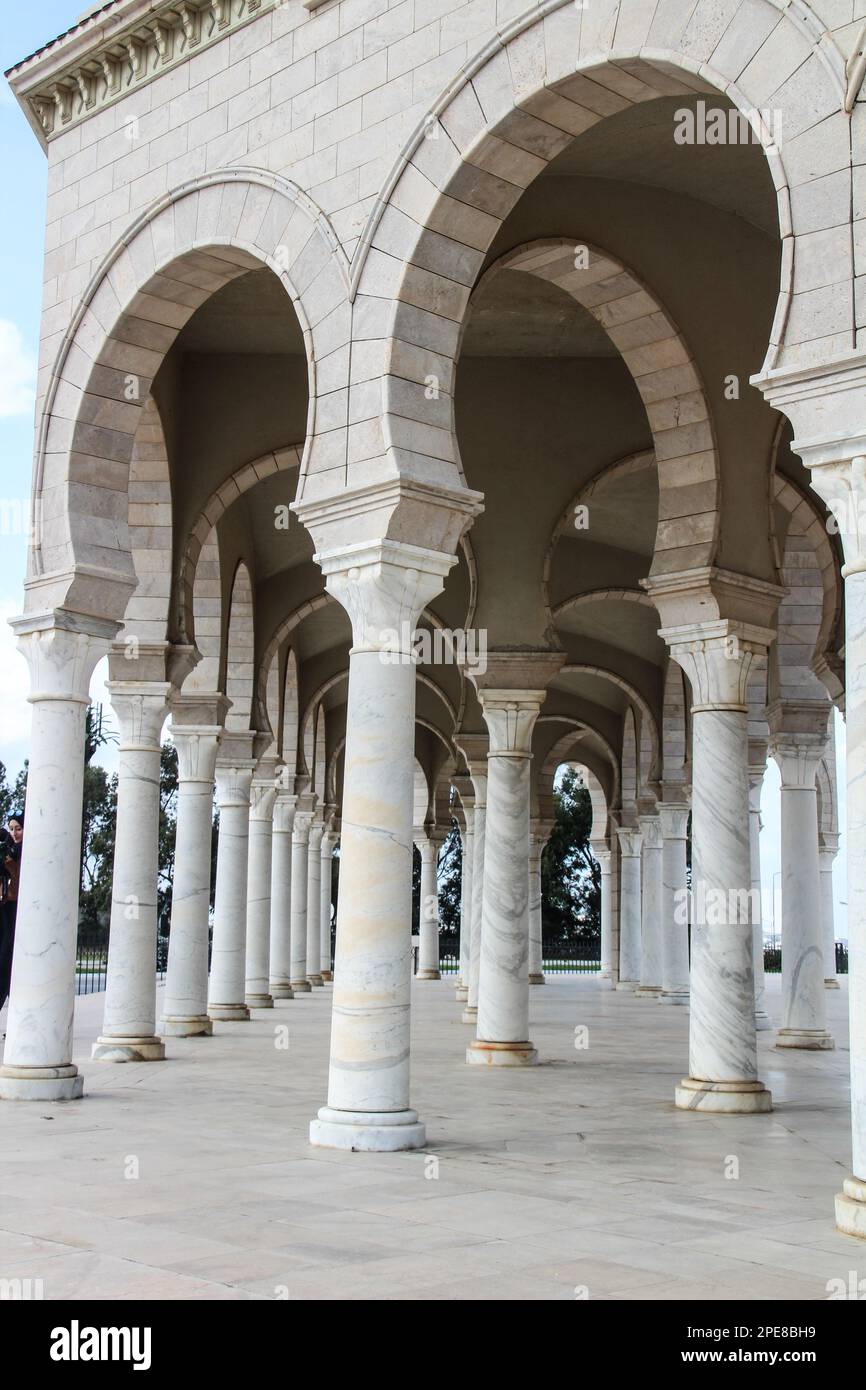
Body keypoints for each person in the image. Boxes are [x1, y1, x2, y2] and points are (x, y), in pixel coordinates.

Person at [0, 812, 23, 1015]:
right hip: (5, 906)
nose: (14, 833)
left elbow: (21, 881)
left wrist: (11, 866)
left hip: (18, 909)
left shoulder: (25, 853)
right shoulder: (10, 849)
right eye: (12, 828)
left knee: (7, 962)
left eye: (18, 828)